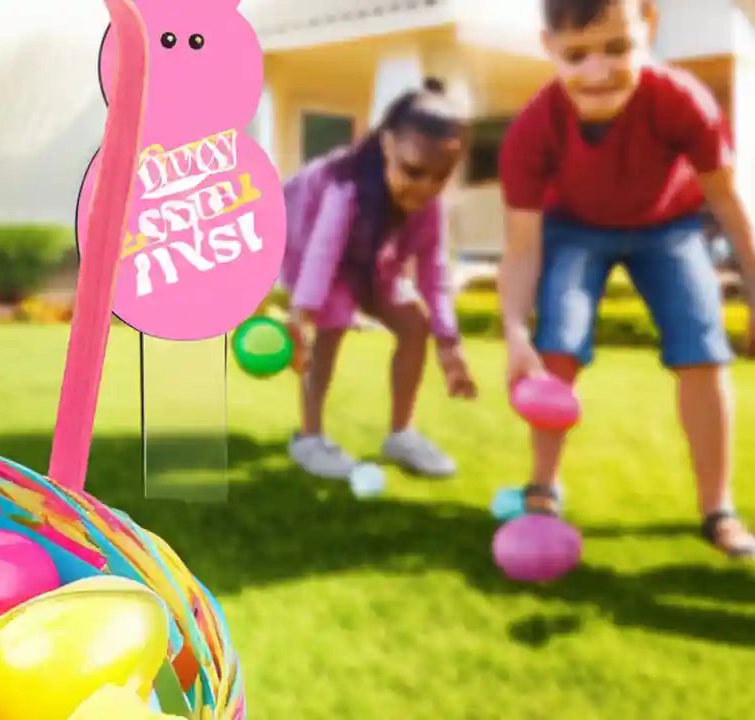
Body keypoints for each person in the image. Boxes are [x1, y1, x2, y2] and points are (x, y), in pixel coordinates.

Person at [497, 0, 755, 557]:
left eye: (617, 48)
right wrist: (515, 331)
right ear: (549, 49)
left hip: (670, 226)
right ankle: (543, 486)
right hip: (574, 227)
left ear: (650, 29)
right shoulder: (532, 128)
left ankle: (718, 508)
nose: (598, 71)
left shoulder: (682, 99)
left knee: (703, 348)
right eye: (577, 54)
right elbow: (522, 249)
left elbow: (729, 204)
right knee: (557, 343)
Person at [282, 78, 478, 481]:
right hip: (309, 246)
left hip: (372, 263)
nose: (425, 187)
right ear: (387, 145)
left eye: (440, 176)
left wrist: (448, 343)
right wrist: (301, 316)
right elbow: (322, 254)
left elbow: (433, 272)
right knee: (331, 325)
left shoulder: (427, 206)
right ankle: (309, 437)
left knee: (414, 324)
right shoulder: (346, 187)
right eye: (413, 171)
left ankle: (401, 433)